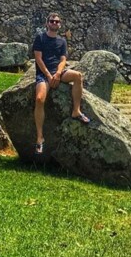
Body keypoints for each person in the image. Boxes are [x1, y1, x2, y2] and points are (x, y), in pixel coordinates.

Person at [33, 12, 90, 154]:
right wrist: (48, 75)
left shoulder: (62, 41)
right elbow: (38, 58)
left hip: (58, 72)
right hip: (43, 74)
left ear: (60, 24)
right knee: (39, 99)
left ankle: (76, 111)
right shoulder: (40, 38)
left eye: (57, 21)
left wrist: (58, 74)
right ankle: (40, 137)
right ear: (47, 23)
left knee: (77, 76)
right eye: (52, 21)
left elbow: (63, 60)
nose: (54, 23)